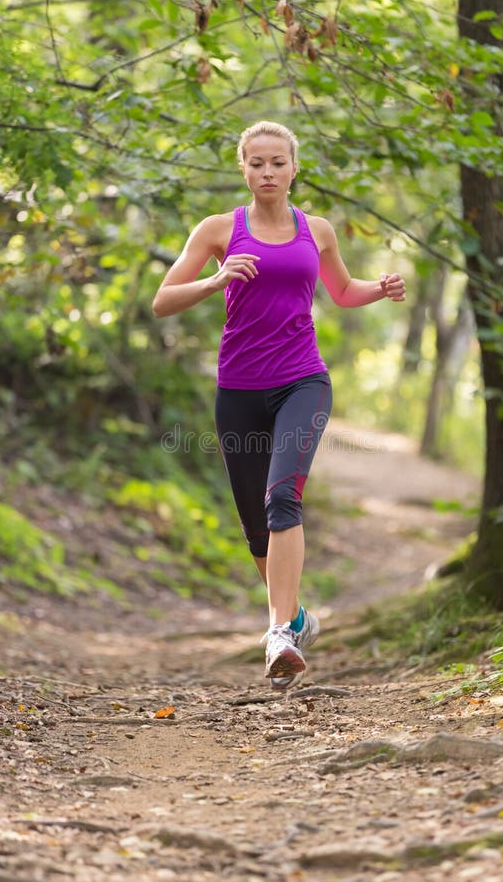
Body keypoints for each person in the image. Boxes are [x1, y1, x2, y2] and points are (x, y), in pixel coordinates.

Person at [152, 120, 406, 690]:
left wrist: (379, 288)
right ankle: (293, 618)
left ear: (294, 168)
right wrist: (216, 280)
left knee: (281, 498)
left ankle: (276, 635)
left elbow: (342, 293)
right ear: (242, 168)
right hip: (238, 391)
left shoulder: (316, 230)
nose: (267, 172)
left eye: (277, 163)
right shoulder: (219, 229)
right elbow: (163, 300)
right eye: (256, 163)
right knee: (256, 530)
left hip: (302, 382)